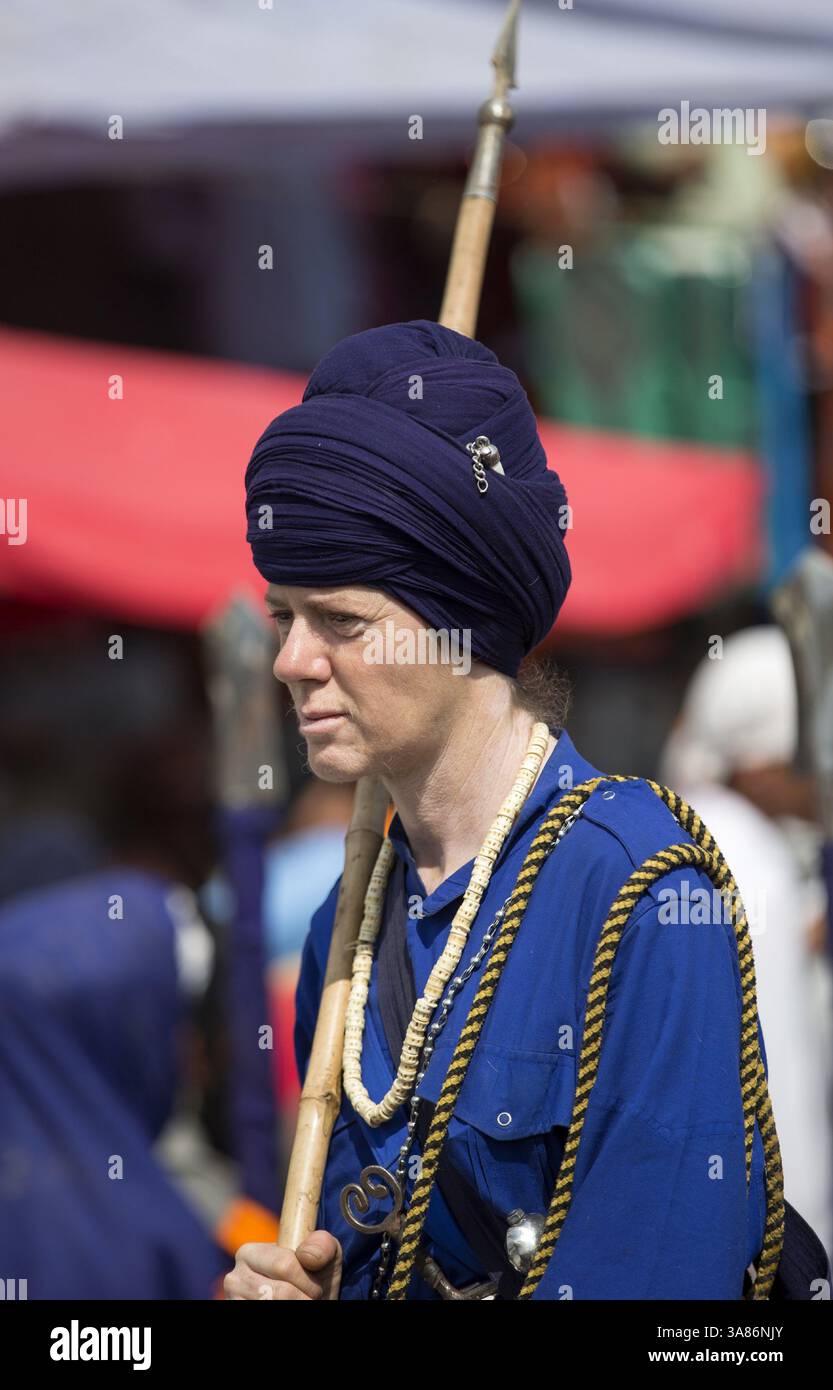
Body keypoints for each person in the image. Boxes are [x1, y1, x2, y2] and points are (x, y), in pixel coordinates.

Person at [225, 320, 770, 1301]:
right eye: (282, 617)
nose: (290, 662)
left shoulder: (635, 884)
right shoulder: (340, 934)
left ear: (457, 627)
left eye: (339, 621)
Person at [660, 625, 833, 1259]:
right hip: (773, 1242)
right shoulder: (734, 849)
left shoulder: (724, 835)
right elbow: (779, 1086)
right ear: (760, 758)